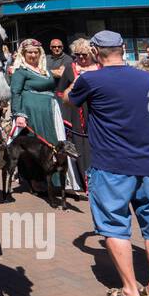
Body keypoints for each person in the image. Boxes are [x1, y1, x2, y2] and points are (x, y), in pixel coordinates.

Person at [66, 30, 149, 296]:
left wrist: (81, 75)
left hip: (112, 164)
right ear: (123, 48)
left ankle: (130, 290)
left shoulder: (90, 79)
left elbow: (69, 99)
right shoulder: (147, 78)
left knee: (115, 225)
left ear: (94, 52)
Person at [10, 38, 80, 195]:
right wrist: (18, 114)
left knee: (54, 143)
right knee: (37, 147)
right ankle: (37, 180)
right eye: (29, 52)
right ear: (23, 53)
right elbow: (15, 93)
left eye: (36, 52)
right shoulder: (20, 71)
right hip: (32, 111)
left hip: (49, 109)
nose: (33, 55)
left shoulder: (44, 69)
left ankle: (56, 180)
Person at [56, 38, 97, 185]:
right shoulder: (70, 67)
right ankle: (84, 180)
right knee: (80, 146)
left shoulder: (100, 67)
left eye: (84, 55)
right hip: (76, 113)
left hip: (96, 112)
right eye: (77, 54)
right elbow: (60, 93)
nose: (81, 57)